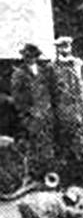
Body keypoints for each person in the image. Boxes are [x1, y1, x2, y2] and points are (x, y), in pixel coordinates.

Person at [50, 36, 83, 179]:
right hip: (65, 105)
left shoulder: (78, 63)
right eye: (61, 47)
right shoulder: (53, 67)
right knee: (69, 136)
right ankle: (71, 171)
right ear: (57, 49)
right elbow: (53, 87)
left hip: (81, 103)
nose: (64, 50)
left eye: (67, 46)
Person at [9, 44, 57, 175]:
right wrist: (26, 112)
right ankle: (34, 174)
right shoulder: (19, 74)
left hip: (46, 112)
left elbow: (49, 91)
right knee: (33, 143)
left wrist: (48, 108)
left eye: (33, 56)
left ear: (37, 57)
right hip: (31, 116)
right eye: (27, 56)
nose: (30, 59)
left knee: (47, 142)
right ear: (24, 57)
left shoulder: (43, 71)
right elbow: (17, 97)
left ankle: (48, 173)